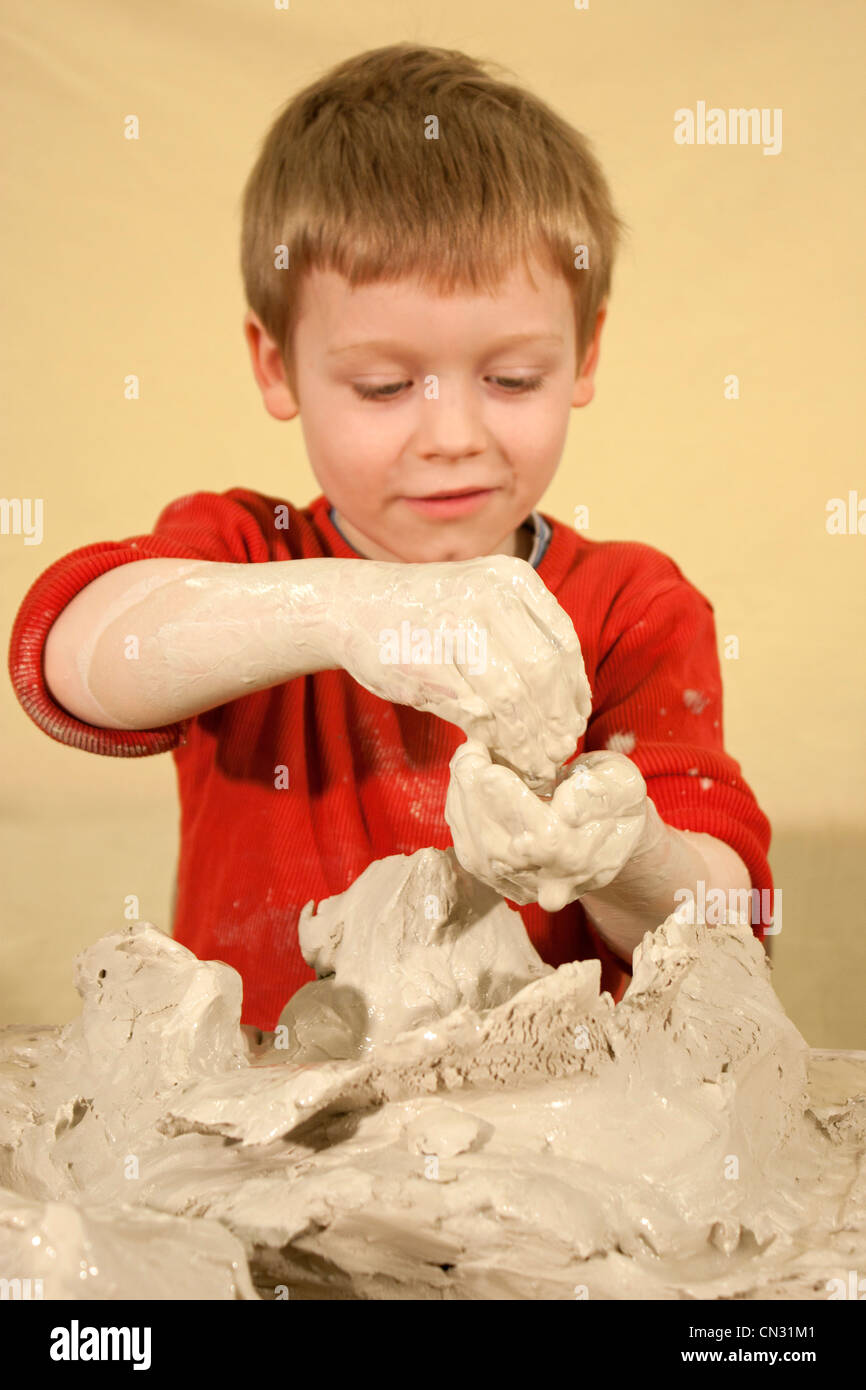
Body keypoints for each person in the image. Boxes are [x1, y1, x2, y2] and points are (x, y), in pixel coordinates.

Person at [8, 43, 772, 1030]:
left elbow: (724, 934)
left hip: (542, 1149)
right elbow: (70, 652)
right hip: (258, 1148)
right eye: (382, 387)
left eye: (510, 379)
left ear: (583, 353)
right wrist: (347, 604)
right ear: (275, 365)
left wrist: (625, 856)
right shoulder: (246, 551)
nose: (452, 437)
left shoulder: (631, 609)